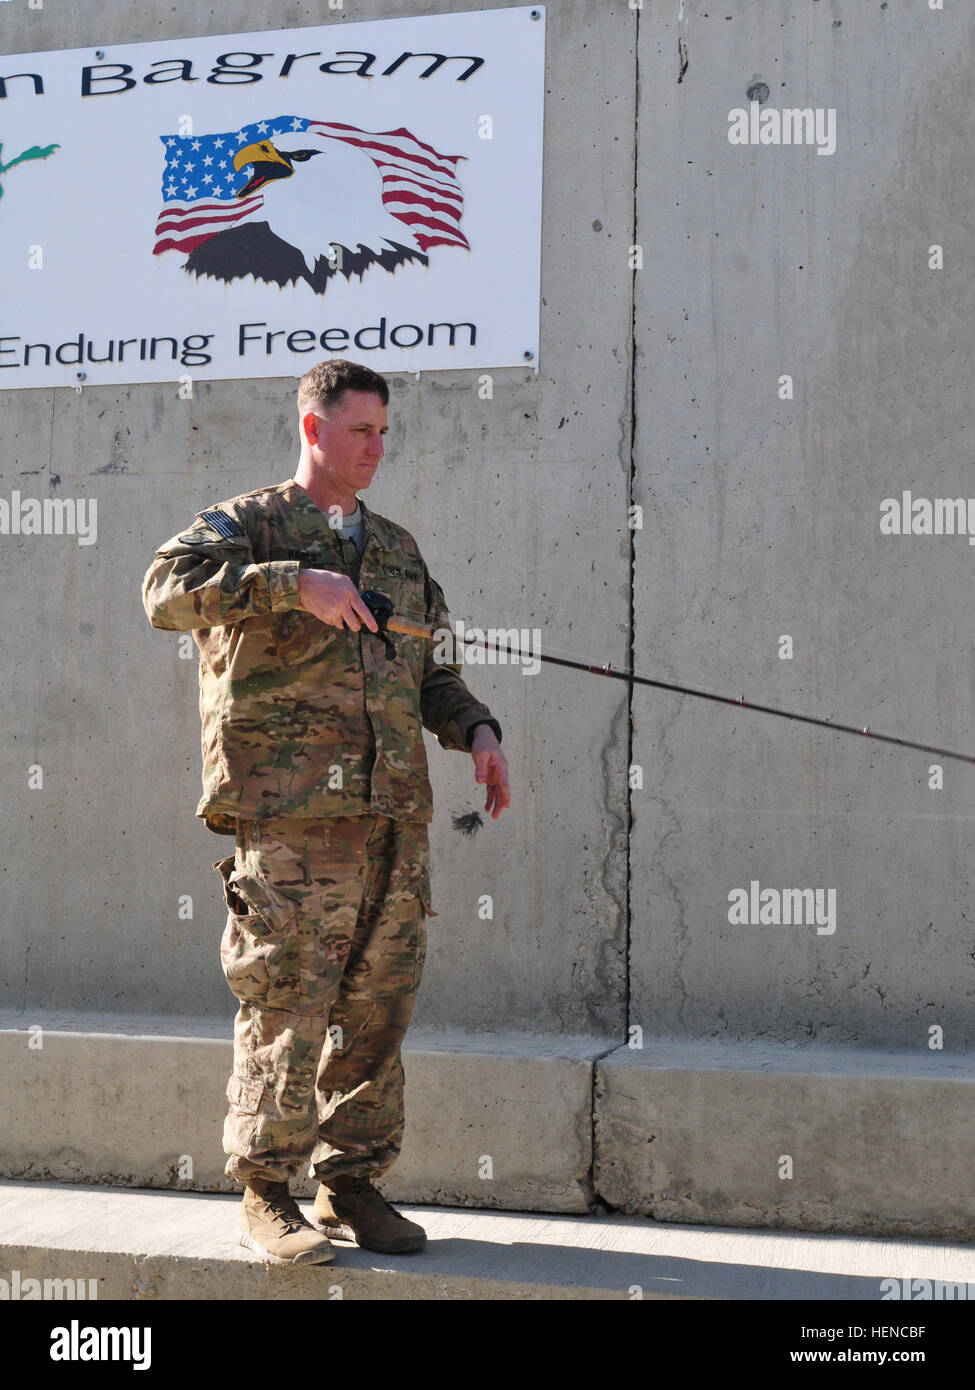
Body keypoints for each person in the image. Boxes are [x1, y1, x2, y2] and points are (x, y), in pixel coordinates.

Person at [142, 359, 510, 1265]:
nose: (374, 448)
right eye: (359, 430)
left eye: (384, 432)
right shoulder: (246, 527)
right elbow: (161, 594)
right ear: (313, 428)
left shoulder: (397, 550)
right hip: (294, 823)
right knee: (286, 1005)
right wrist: (287, 583)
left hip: (392, 817)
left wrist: (480, 731)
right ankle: (268, 1193)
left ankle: (353, 1183)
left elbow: (431, 668)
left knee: (379, 1009)